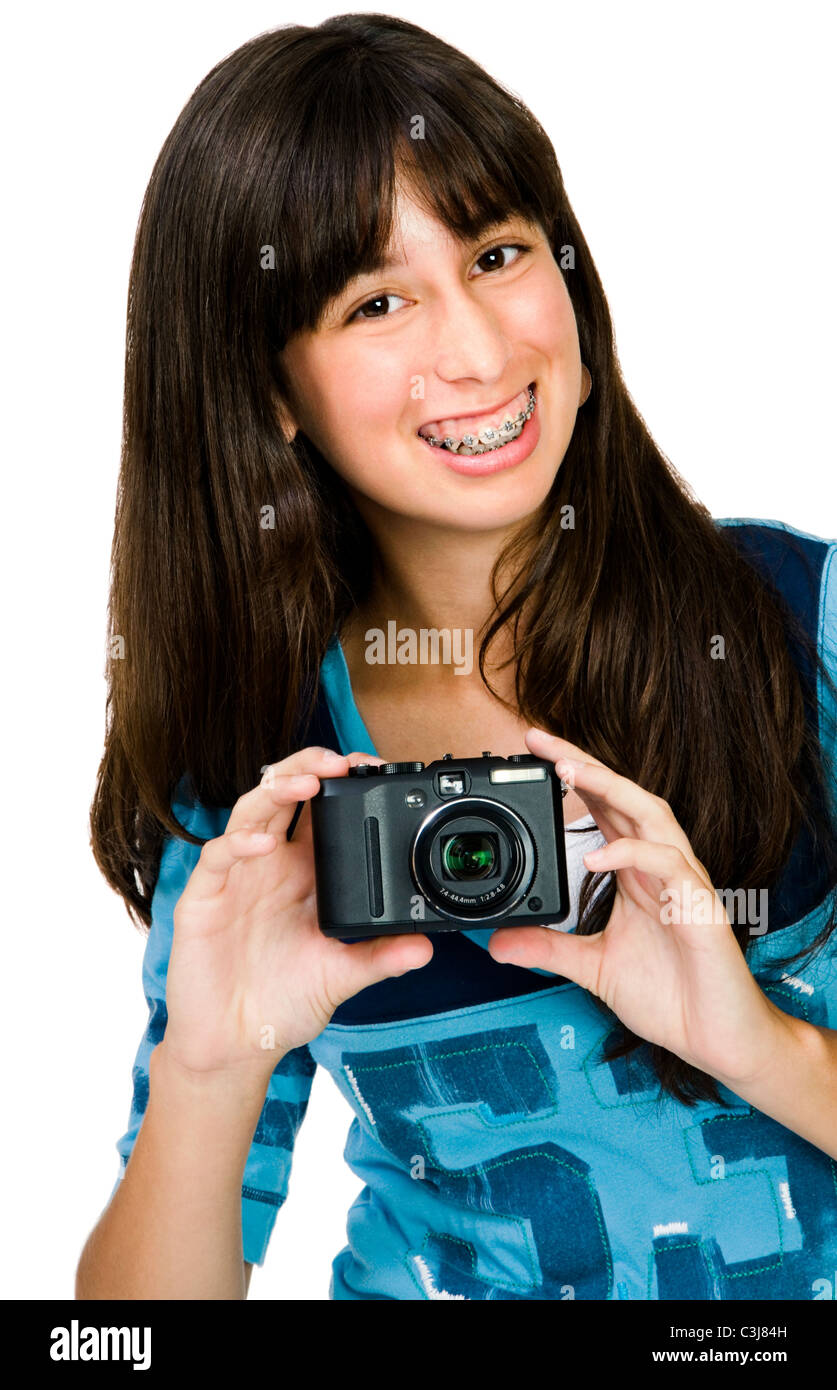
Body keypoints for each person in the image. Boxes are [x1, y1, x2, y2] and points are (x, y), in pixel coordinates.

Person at [76, 13, 837, 1301]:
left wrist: (752, 1041)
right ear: (270, 391)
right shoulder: (262, 778)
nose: (480, 353)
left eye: (498, 254)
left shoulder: (798, 622)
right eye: (377, 301)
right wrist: (210, 1072)